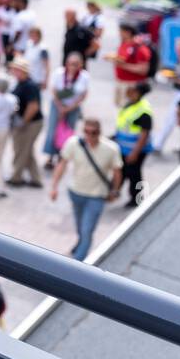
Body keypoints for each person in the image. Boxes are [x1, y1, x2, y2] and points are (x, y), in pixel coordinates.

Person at [50, 118, 121, 261]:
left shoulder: (111, 148)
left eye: (93, 132)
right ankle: (80, 244)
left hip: (96, 196)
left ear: (99, 132)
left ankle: (78, 262)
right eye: (86, 132)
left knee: (87, 229)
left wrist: (114, 190)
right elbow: (62, 164)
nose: (89, 136)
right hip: (76, 192)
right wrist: (54, 187)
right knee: (80, 226)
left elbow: (117, 172)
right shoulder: (74, 143)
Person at [42, 52, 89, 171]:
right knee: (53, 129)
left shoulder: (84, 76)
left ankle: (62, 155)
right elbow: (54, 90)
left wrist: (69, 108)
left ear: (80, 65)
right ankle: (50, 156)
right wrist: (60, 107)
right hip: (57, 105)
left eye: (76, 64)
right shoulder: (59, 73)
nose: (72, 67)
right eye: (71, 64)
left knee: (68, 131)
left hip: (73, 107)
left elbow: (83, 95)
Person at [114, 81, 154, 207]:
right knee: (123, 170)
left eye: (131, 90)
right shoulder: (131, 103)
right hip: (124, 147)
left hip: (135, 150)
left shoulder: (144, 112)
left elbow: (144, 134)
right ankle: (115, 190)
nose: (128, 92)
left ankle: (137, 199)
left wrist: (134, 153)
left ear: (138, 93)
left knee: (134, 174)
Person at [6, 57, 44, 188]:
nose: (14, 72)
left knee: (21, 150)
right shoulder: (20, 83)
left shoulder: (29, 86)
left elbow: (33, 107)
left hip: (31, 123)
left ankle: (16, 177)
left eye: (17, 70)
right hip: (27, 121)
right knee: (27, 151)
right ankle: (36, 178)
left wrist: (23, 122)